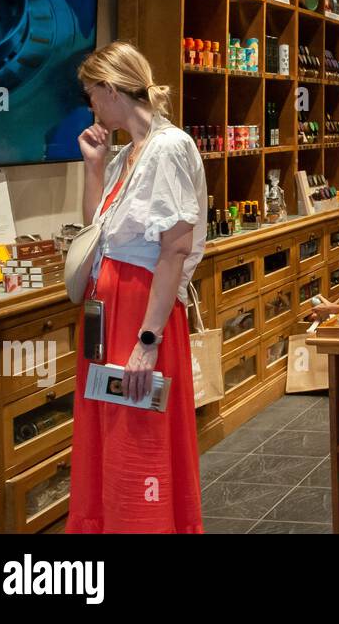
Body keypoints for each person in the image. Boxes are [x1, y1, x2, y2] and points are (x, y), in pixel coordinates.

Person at [68, 41, 207, 533]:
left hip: (139, 316)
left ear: (110, 89)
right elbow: (95, 236)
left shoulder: (167, 149)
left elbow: (174, 248)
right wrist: (94, 167)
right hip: (110, 314)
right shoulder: (130, 153)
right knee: (110, 435)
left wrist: (148, 342)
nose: (90, 105)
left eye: (91, 93)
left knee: (139, 435)